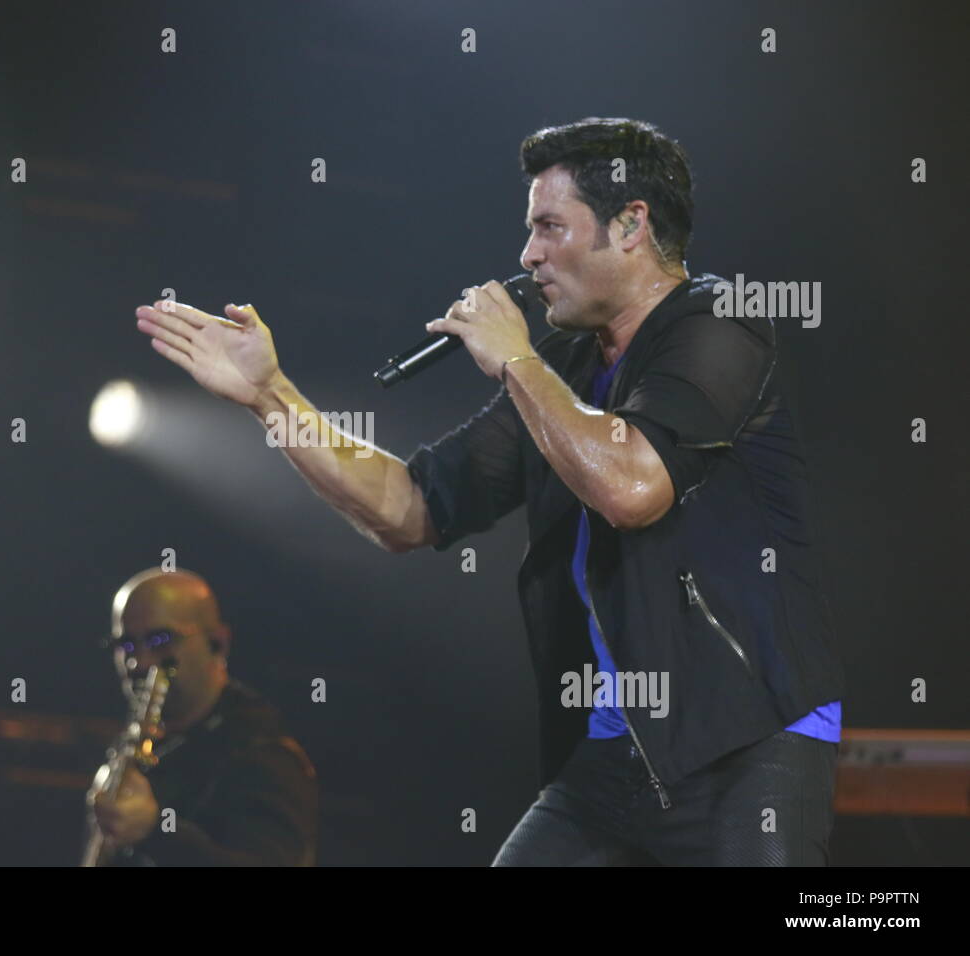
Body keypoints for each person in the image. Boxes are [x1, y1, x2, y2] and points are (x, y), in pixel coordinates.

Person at [133, 117, 847, 866]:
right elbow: (407, 508)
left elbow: (633, 487)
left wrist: (515, 360)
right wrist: (271, 396)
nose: (528, 255)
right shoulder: (564, 367)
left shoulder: (721, 323)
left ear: (631, 225)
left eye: (550, 227)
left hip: (748, 740)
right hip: (615, 753)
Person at [86, 568, 317, 866]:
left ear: (217, 642)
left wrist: (154, 833)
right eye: (126, 645)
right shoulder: (146, 746)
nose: (139, 662)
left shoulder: (263, 753)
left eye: (160, 640)